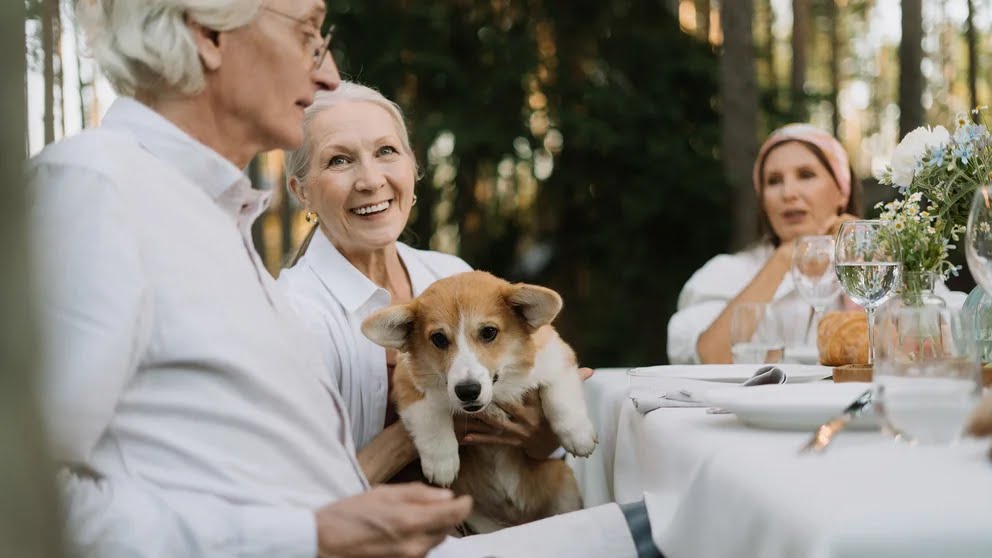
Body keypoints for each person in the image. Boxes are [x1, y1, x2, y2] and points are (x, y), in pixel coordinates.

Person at [29, 1, 660, 556]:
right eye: (309, 32)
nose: (326, 73)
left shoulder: (214, 225)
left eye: (388, 151)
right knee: (691, 523)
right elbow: (28, 493)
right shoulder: (97, 188)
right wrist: (312, 537)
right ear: (208, 34)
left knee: (690, 511)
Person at [276, 82, 567, 485]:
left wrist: (540, 429)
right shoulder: (290, 314)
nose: (371, 180)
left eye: (386, 152)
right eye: (340, 160)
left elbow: (543, 449)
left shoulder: (451, 274)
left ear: (412, 166)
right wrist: (417, 434)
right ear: (300, 191)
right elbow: (298, 500)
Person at [667, 124, 863, 365]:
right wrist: (784, 258)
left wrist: (865, 253)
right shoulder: (727, 272)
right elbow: (710, 358)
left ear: (842, 191)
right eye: (773, 181)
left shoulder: (877, 269)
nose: (788, 193)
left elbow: (906, 357)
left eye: (806, 175)